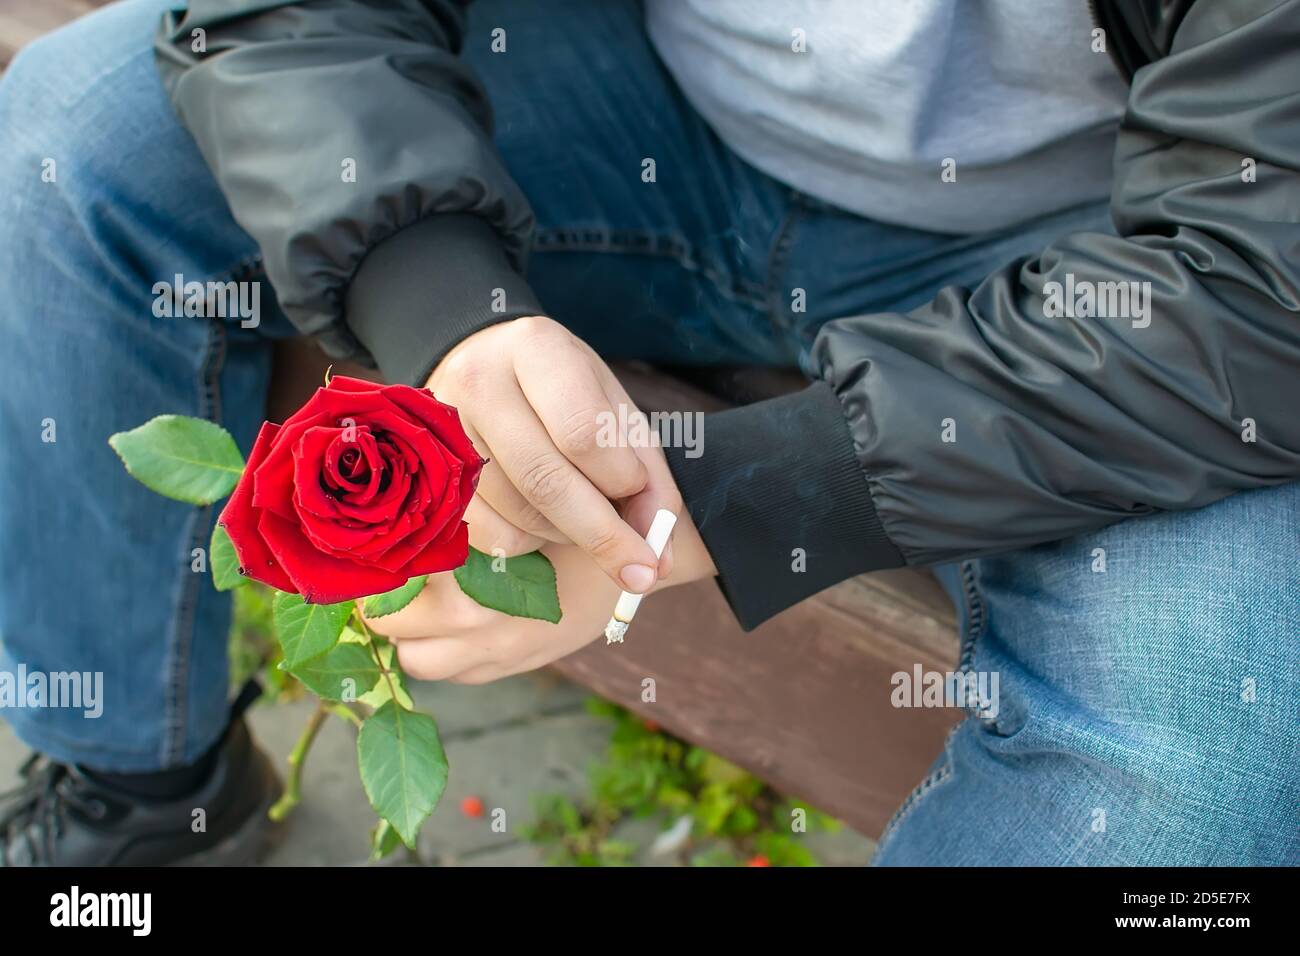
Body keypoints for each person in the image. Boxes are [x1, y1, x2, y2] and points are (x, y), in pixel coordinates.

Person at [0, 0, 1296, 865]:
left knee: (1192, 757)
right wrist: (440, 300)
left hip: (1125, 251)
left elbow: (1267, 275)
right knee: (79, 143)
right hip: (648, 101)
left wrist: (741, 497)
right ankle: (142, 798)